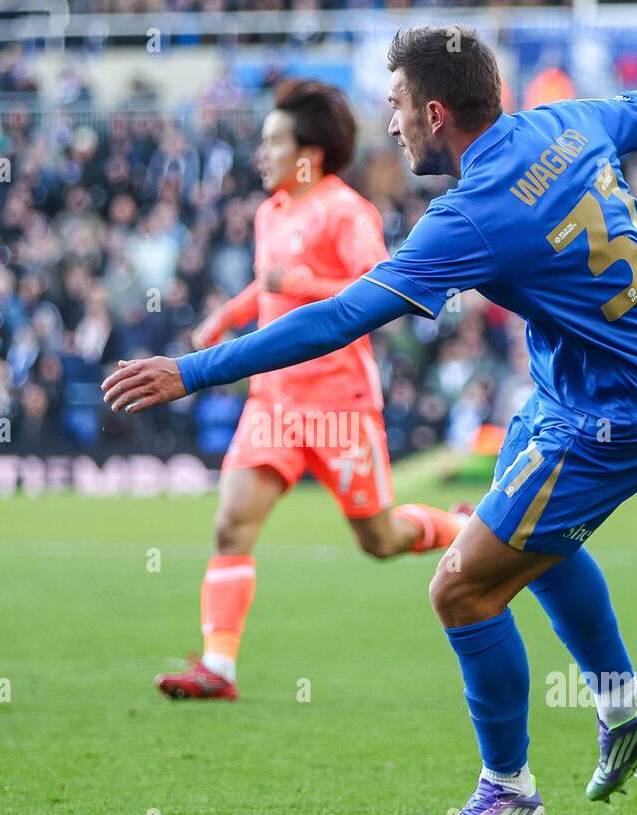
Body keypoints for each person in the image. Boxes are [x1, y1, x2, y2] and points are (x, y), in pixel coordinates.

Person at [103, 29, 637, 815]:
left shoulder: (469, 216)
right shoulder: (566, 124)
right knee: (537, 542)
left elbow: (341, 315)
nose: (390, 125)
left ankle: (509, 792)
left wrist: (193, 369)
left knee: (462, 590)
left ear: (435, 112)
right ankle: (621, 704)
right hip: (589, 386)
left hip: (614, 416)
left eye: (397, 106)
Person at [156, 79, 467, 701]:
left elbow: (380, 291)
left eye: (274, 141)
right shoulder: (268, 213)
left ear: (310, 154)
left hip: (340, 405)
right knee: (230, 527)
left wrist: (298, 279)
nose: (261, 154)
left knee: (379, 540)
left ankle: (466, 532)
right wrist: (227, 317)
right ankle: (219, 667)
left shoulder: (346, 212)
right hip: (273, 402)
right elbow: (268, 287)